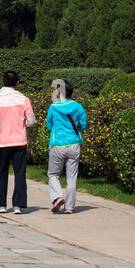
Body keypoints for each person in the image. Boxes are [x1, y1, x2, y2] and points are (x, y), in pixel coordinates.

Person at [0, 70, 35, 214]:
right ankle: (18, 205)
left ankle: (1, 204)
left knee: (1, 173)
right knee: (19, 173)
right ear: (17, 83)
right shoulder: (23, 99)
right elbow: (31, 121)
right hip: (19, 141)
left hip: (2, 142)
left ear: (3, 81)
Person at [45, 79, 87, 214]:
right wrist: (76, 129)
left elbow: (49, 125)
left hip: (57, 144)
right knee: (71, 177)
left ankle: (57, 197)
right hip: (74, 144)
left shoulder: (53, 107)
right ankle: (69, 207)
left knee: (53, 174)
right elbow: (83, 124)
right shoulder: (78, 106)